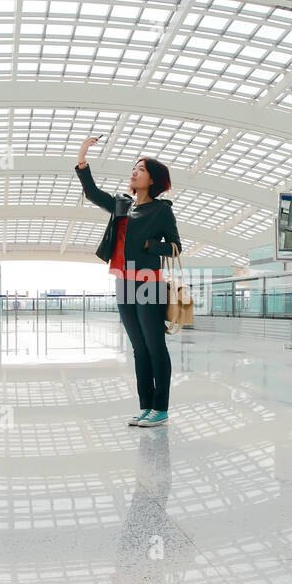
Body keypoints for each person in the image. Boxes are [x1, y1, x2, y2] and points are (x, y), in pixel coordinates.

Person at [74, 136, 181, 427]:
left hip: (148, 281)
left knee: (155, 345)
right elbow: (93, 192)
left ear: (153, 179)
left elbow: (175, 246)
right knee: (138, 348)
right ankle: (146, 406)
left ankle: (161, 408)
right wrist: (83, 156)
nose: (135, 171)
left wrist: (150, 245)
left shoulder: (161, 210)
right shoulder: (122, 205)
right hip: (123, 281)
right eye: (135, 167)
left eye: (142, 169)